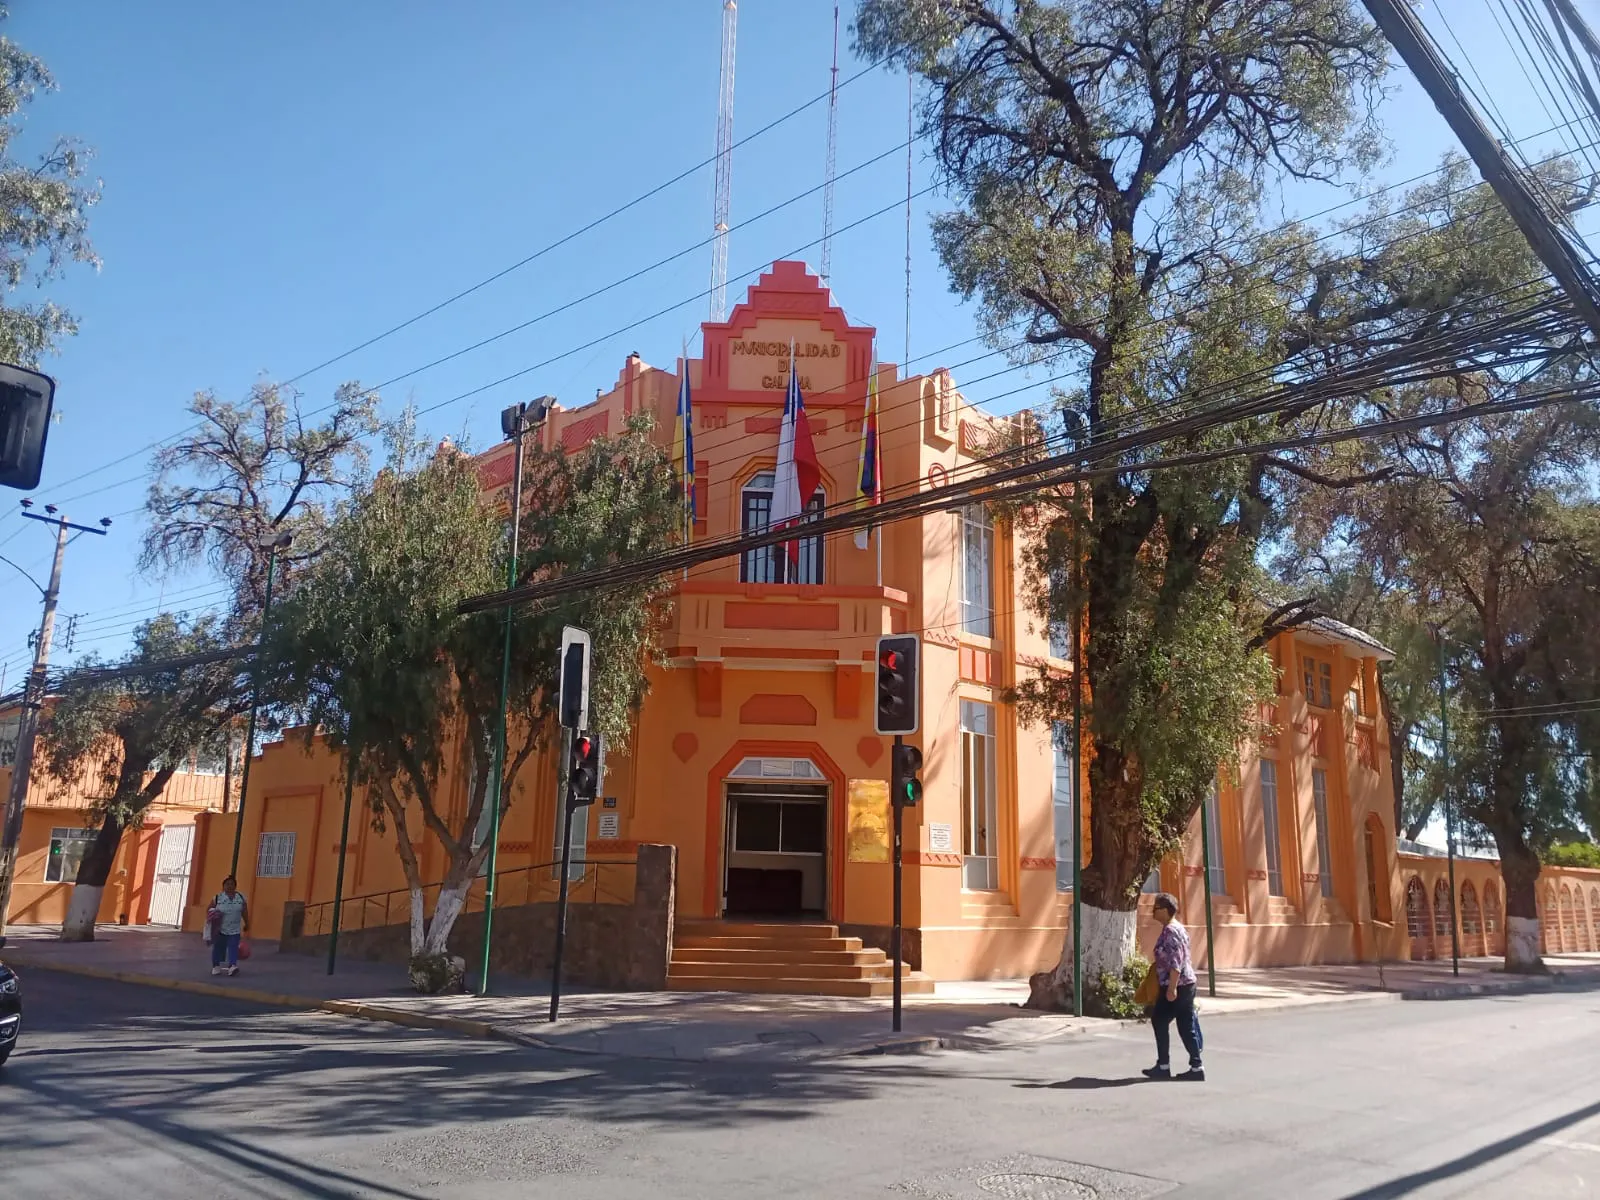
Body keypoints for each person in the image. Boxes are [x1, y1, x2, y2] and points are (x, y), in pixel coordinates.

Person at [1143, 892, 1204, 1081]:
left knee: (1183, 1024)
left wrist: (1172, 988)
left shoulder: (1171, 931)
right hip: (1177, 984)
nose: (1153, 912)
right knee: (1160, 1020)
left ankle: (1195, 1067)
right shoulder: (1173, 928)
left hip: (1179, 985)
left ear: (1166, 910)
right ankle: (1165, 1065)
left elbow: (1176, 962)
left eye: (1156, 908)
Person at [209, 876, 249, 977]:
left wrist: (247, 923)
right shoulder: (218, 898)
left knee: (233, 947)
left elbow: (244, 911)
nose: (229, 886)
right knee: (218, 947)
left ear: (235, 886)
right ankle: (216, 966)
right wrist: (212, 919)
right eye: (227, 884)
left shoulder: (240, 897)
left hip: (235, 928)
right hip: (220, 928)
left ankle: (232, 966)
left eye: (232, 884)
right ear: (223, 886)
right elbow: (209, 910)